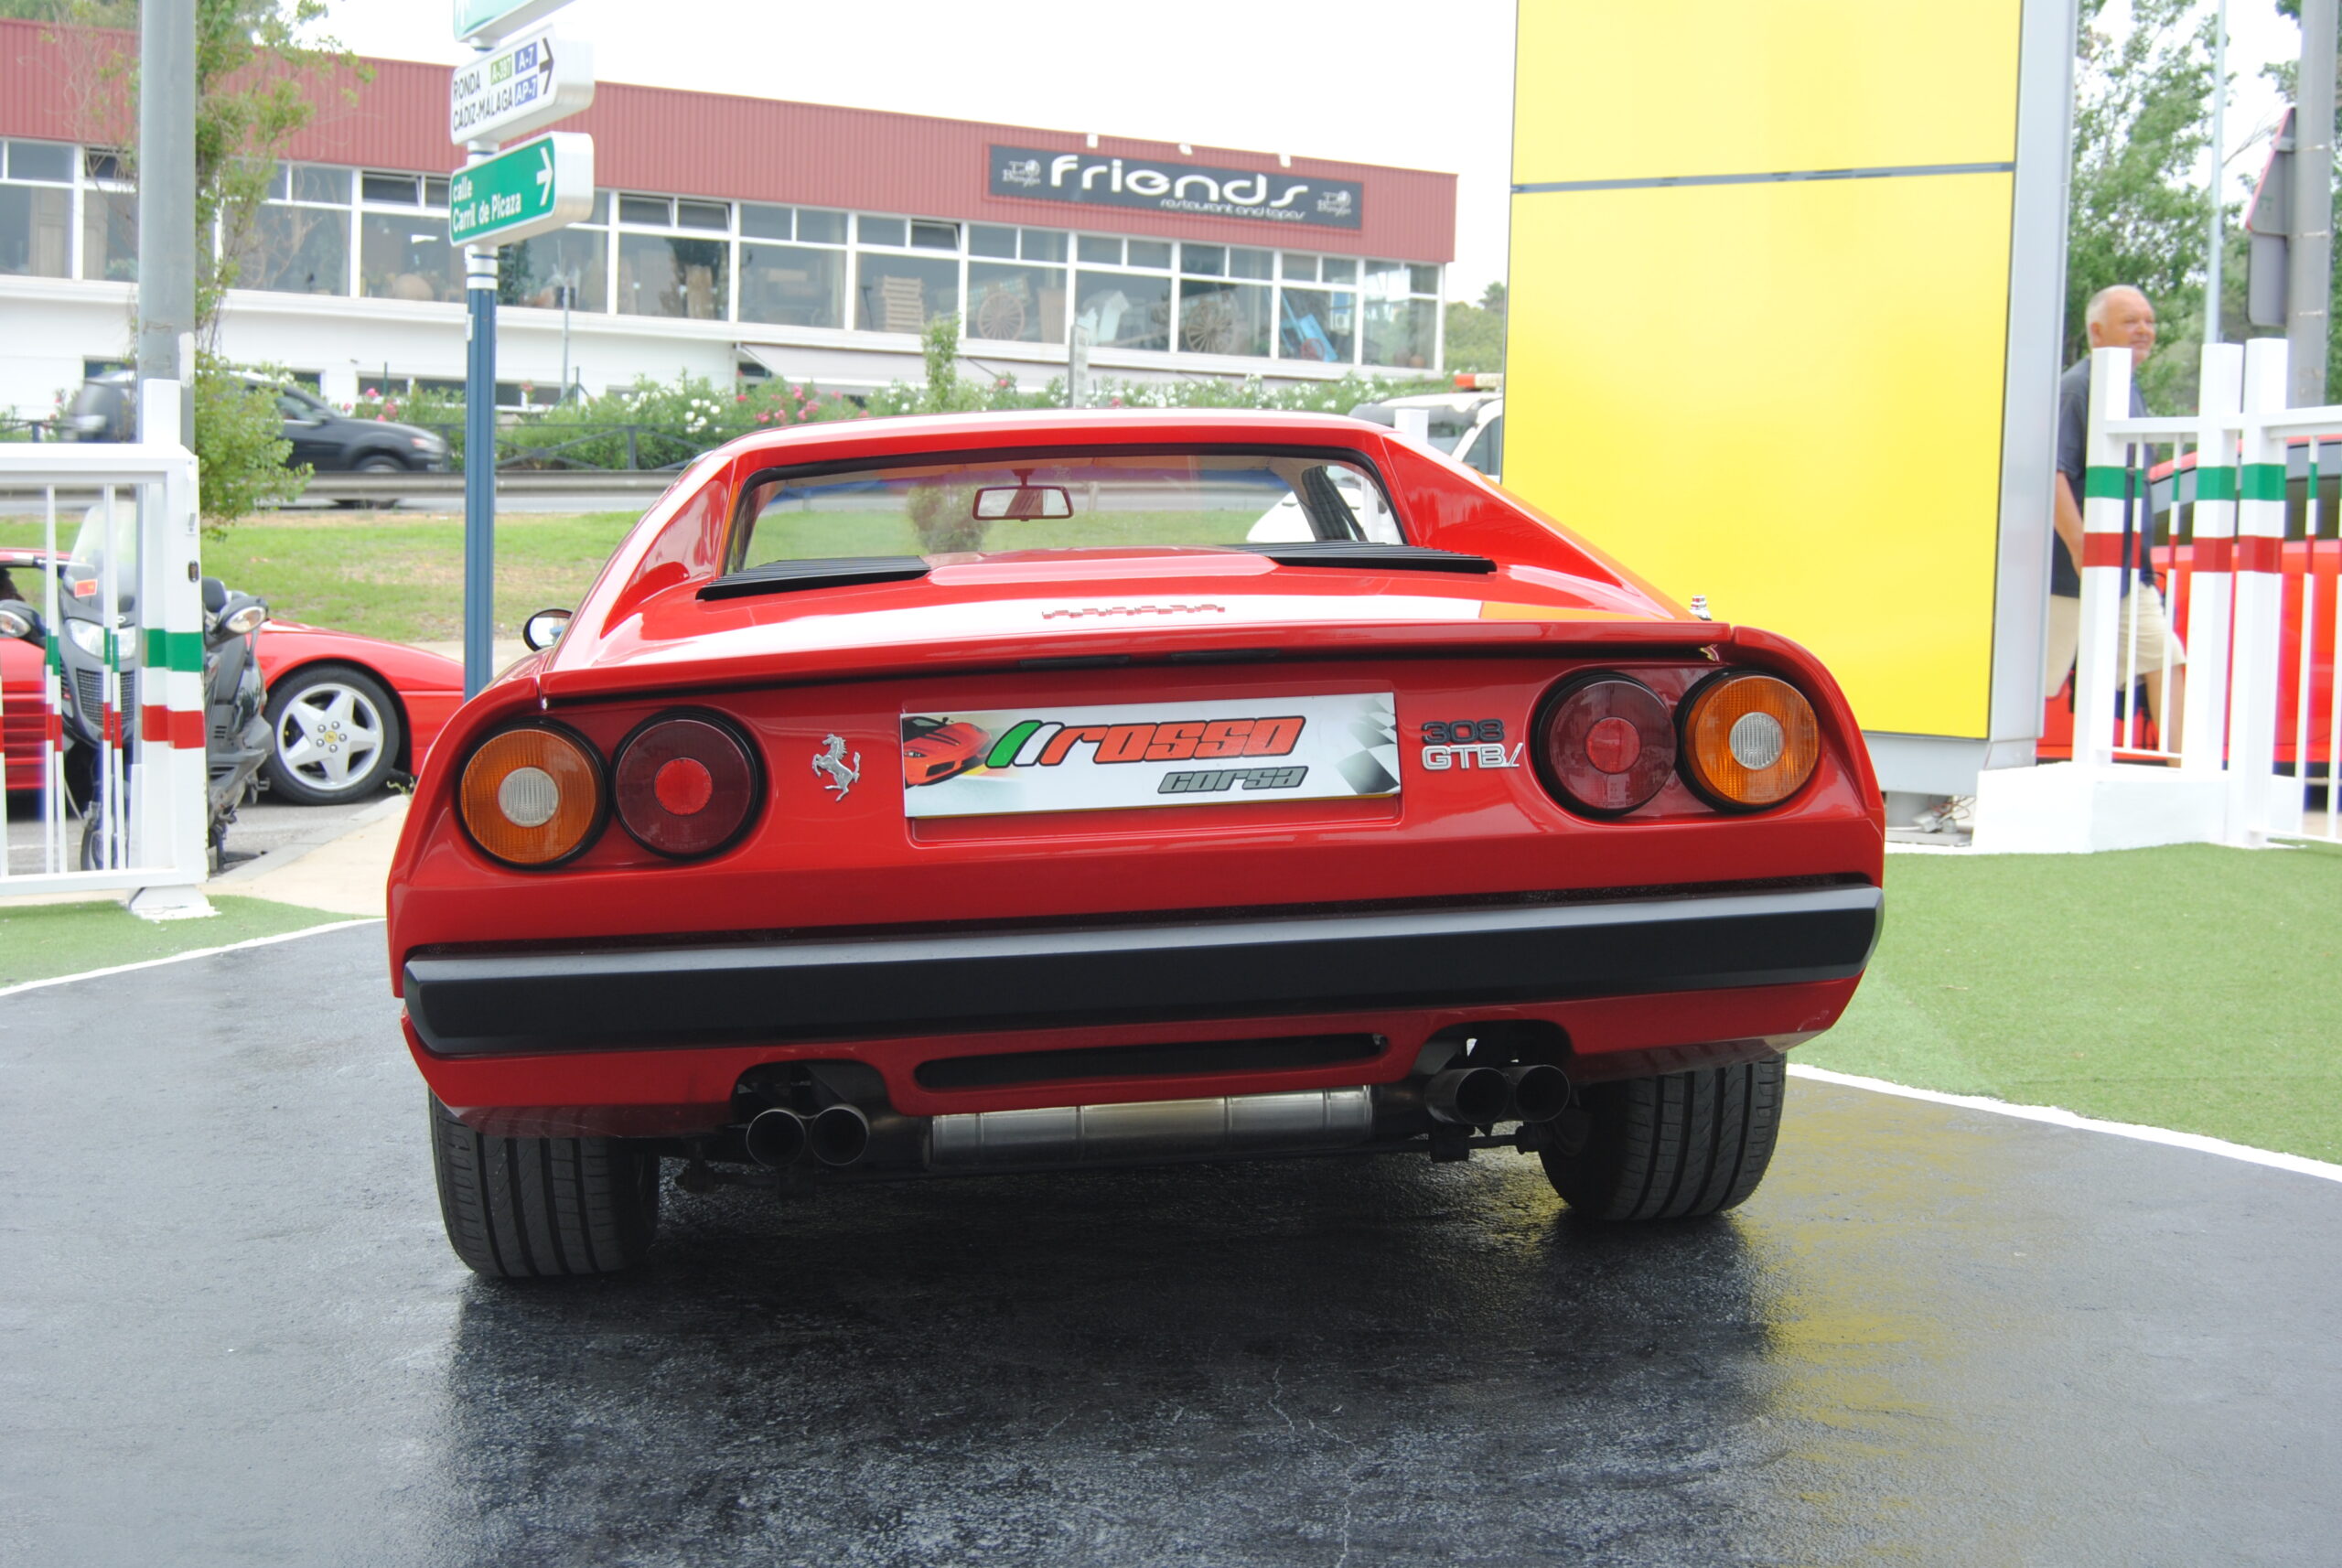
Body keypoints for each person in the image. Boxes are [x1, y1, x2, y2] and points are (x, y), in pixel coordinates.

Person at [2047, 285, 2185, 747]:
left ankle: (2183, 784)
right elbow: (2053, 475)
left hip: (2127, 572)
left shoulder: (2128, 389)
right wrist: (2082, 546)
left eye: (2148, 320)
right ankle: (1973, 785)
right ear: (2097, 332)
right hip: (2070, 574)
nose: (2144, 330)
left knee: (2164, 660)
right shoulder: (2077, 388)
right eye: (2131, 321)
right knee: (2037, 683)